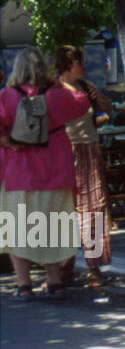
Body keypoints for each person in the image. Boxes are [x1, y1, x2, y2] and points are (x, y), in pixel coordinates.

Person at [0, 47, 91, 301]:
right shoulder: (56, 94)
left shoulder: (7, 95)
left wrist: (7, 141)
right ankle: (54, 282)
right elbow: (82, 103)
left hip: (19, 172)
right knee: (53, 228)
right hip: (55, 170)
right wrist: (60, 83)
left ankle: (23, 285)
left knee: (17, 230)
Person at [54, 46, 114, 286]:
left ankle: (95, 267)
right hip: (66, 153)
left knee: (94, 209)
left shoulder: (85, 87)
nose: (84, 65)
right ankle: (62, 267)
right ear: (69, 64)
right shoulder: (55, 91)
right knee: (64, 211)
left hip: (90, 150)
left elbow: (108, 108)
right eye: (80, 62)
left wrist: (100, 101)